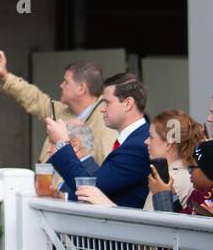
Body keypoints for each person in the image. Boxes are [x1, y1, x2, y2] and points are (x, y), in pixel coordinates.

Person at [0, 49, 115, 163]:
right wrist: (5, 75)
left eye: (66, 82)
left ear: (81, 88)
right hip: (47, 183)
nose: (61, 85)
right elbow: (34, 99)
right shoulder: (61, 111)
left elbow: (108, 171)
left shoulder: (106, 124)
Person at [52, 73, 150, 209]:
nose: (102, 109)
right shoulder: (137, 139)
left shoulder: (137, 145)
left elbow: (91, 188)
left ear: (128, 104)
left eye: (107, 102)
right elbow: (106, 189)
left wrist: (62, 143)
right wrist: (65, 197)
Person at [51, 120, 100, 200]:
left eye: (54, 143)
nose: (48, 149)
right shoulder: (63, 167)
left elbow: (86, 203)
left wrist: (63, 197)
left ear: (74, 145)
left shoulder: (92, 174)